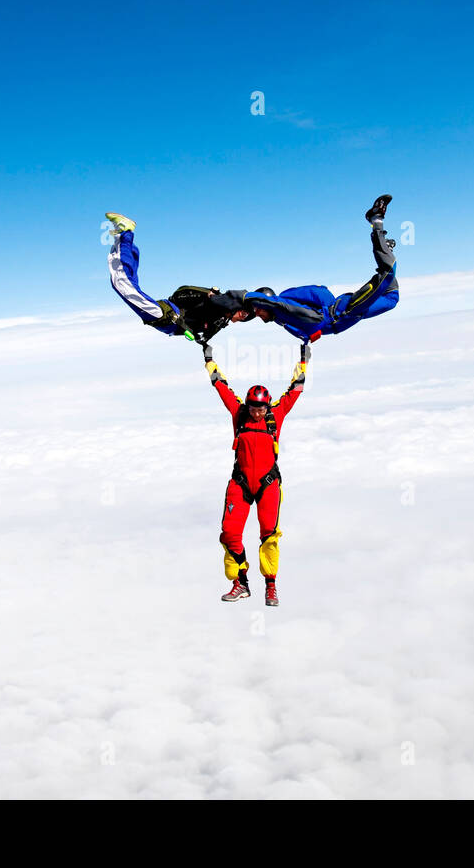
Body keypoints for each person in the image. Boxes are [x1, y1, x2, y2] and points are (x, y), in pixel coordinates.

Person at [202, 339, 311, 606]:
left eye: (261, 407)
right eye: (253, 407)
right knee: (229, 533)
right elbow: (221, 386)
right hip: (240, 482)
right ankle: (240, 583)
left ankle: (270, 585)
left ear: (268, 405)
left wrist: (304, 358)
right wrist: (208, 359)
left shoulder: (276, 414)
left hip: (267, 482)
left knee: (269, 534)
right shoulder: (239, 413)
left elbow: (295, 389)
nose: (257, 411)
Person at [239, 194, 400, 341]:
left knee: (388, 271)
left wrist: (329, 309)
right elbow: (304, 331)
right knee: (391, 299)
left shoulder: (283, 299)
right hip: (348, 318)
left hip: (343, 311)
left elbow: (316, 291)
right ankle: (387, 248)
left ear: (267, 300)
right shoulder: (281, 319)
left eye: (258, 309)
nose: (257, 314)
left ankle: (376, 220)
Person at [105, 213, 253, 343]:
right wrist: (206, 294)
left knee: (130, 282)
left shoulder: (222, 320)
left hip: (165, 322)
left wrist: (206, 352)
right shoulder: (217, 302)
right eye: (244, 313)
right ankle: (126, 232)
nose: (242, 317)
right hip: (166, 314)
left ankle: (127, 243)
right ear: (236, 306)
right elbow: (182, 292)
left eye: (246, 317)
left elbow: (205, 338)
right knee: (122, 284)